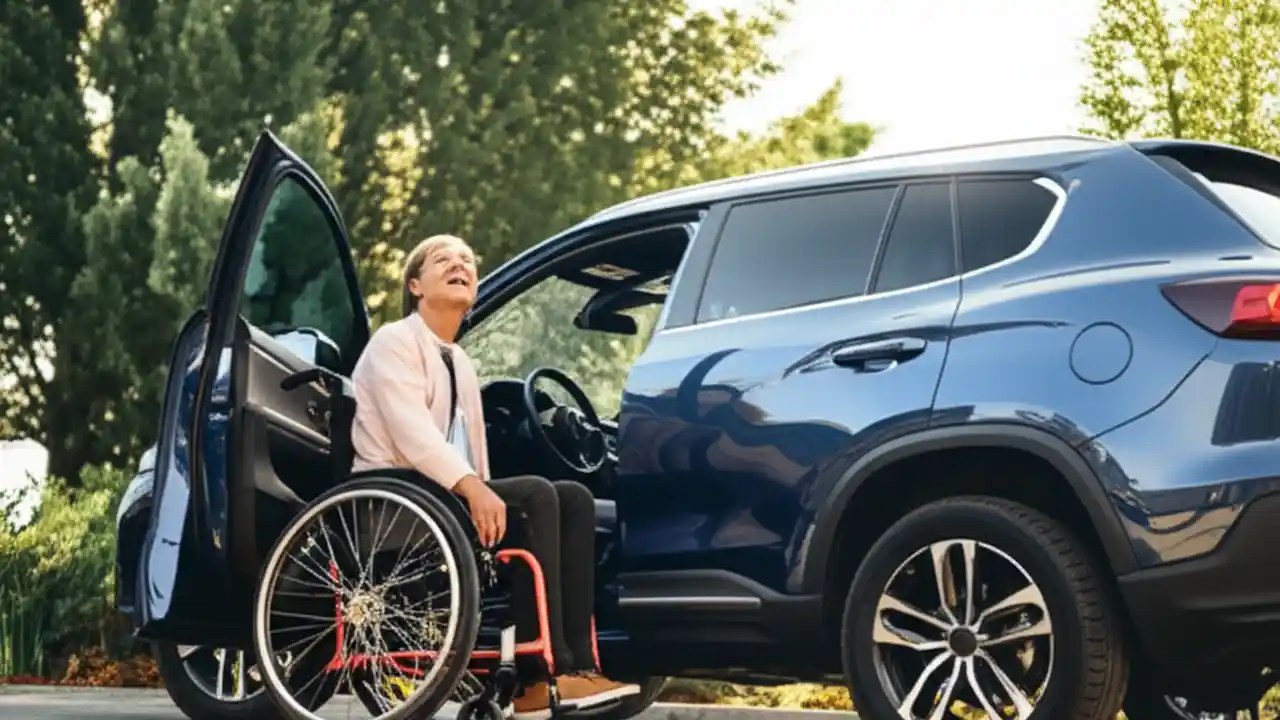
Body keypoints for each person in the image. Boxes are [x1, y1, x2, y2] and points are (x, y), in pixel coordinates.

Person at [349, 233, 640, 719]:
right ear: (415, 285)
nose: (459, 264)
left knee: (573, 498)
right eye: (443, 259)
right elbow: (413, 436)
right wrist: (474, 490)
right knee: (536, 495)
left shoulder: (459, 360)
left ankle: (577, 669)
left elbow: (473, 451)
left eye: (468, 260)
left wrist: (480, 491)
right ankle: (542, 672)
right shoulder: (393, 342)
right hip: (396, 495)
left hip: (442, 497)